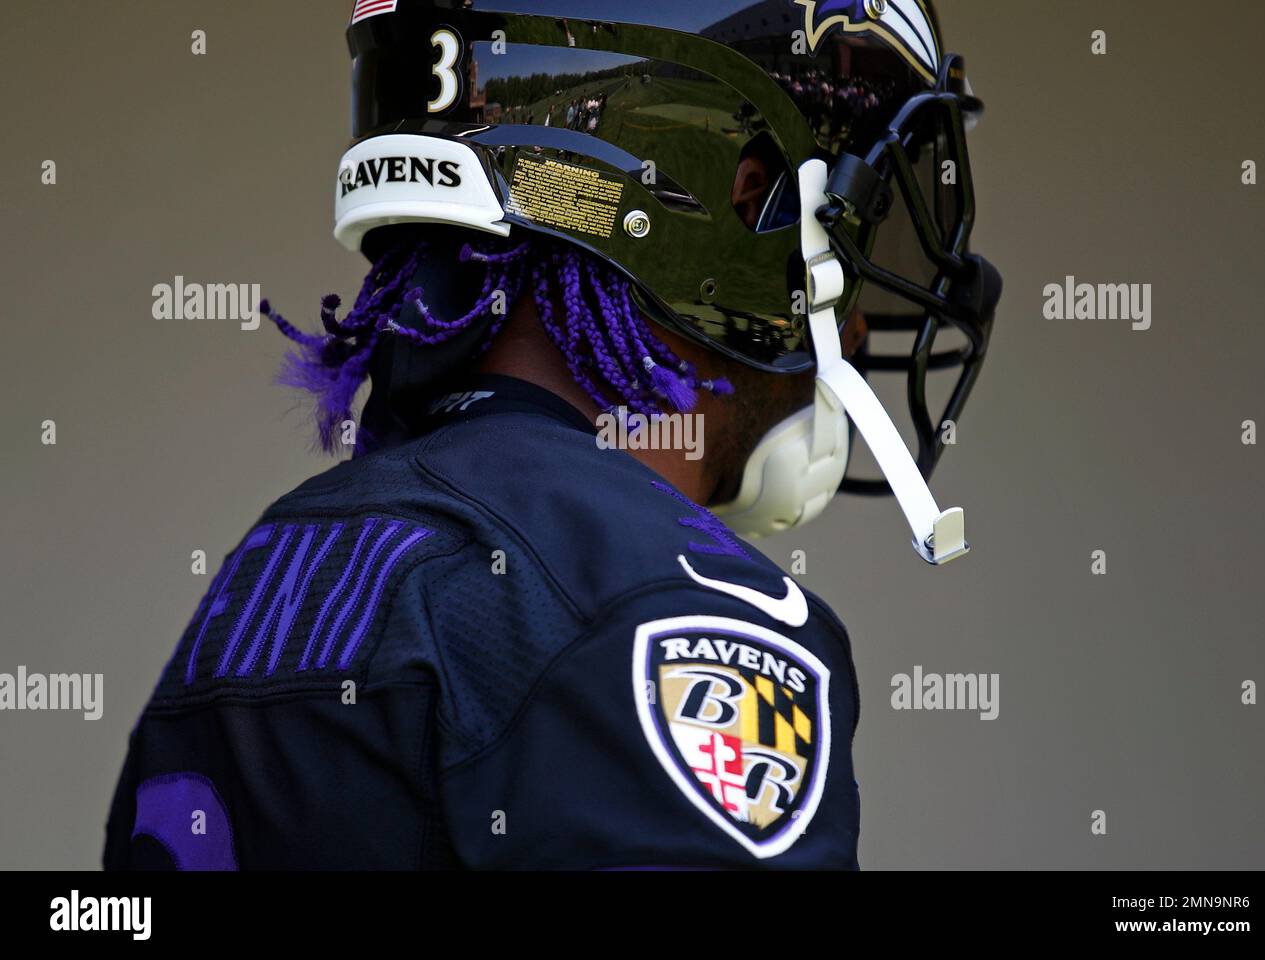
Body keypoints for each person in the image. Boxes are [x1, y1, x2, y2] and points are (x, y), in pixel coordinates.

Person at [104, 0, 999, 870]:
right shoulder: (671, 611)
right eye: (850, 231)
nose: (851, 332)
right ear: (744, 201)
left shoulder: (272, 565)